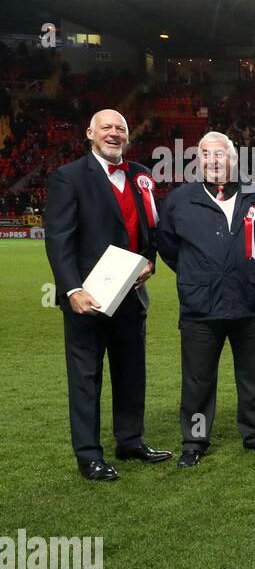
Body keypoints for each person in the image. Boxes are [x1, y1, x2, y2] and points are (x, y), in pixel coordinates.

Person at [44, 109, 171, 480]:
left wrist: (150, 261)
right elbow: (59, 240)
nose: (114, 133)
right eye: (107, 128)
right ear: (90, 133)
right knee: (86, 377)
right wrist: (72, 288)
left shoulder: (141, 175)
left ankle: (130, 440)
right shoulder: (68, 177)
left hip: (131, 294)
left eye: (121, 128)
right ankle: (89, 455)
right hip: (88, 297)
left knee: (131, 372)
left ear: (128, 137)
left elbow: (151, 229)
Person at [155, 131, 255, 467]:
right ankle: (195, 441)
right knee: (198, 380)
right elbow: (168, 247)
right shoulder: (180, 199)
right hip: (201, 309)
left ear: (234, 159)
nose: (214, 161)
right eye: (206, 155)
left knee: (253, 376)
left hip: (252, 306)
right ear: (197, 161)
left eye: (221, 155)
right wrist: (196, 276)